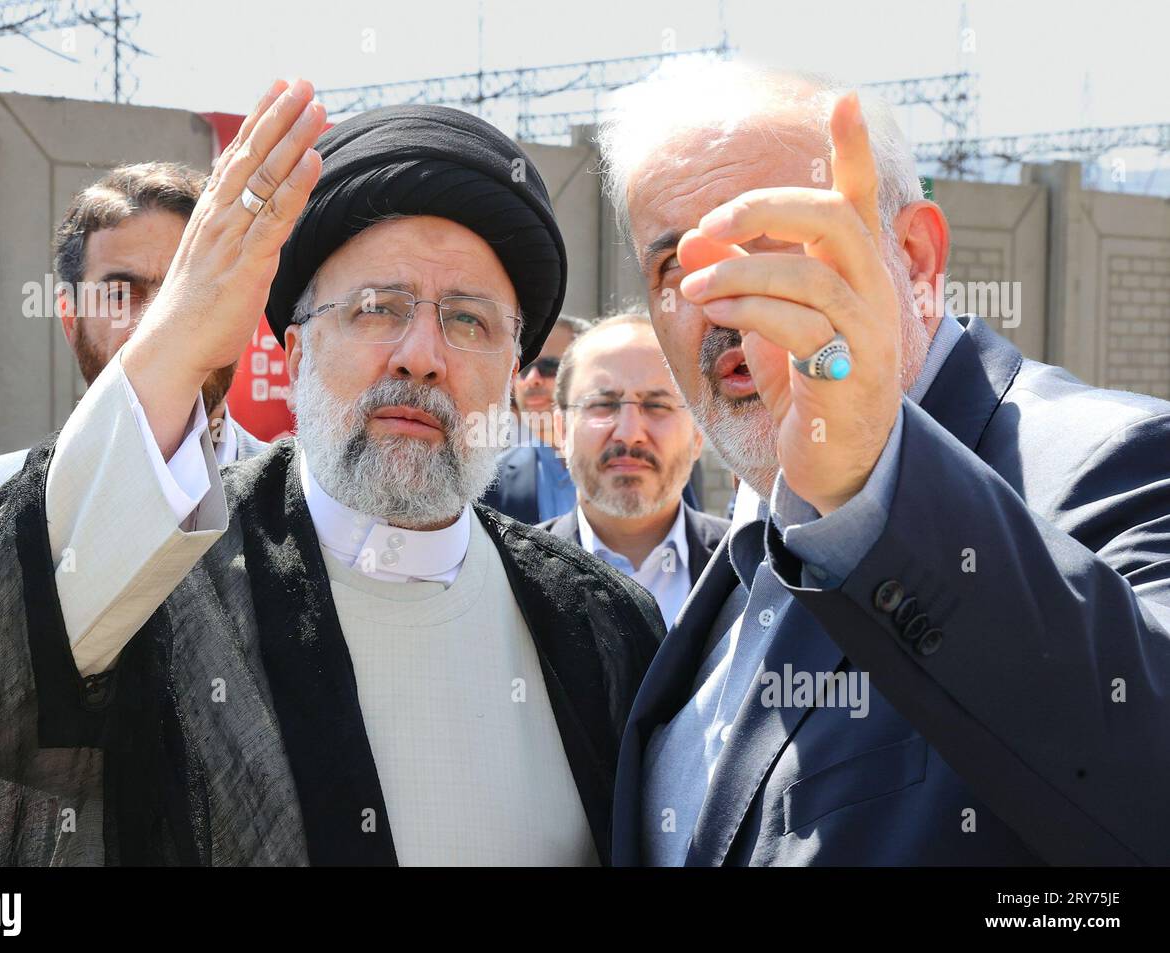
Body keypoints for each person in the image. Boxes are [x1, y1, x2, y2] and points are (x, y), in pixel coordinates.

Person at [0, 82, 662, 866]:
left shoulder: (602, 625)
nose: (421, 355)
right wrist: (178, 337)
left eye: (468, 320)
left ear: (514, 376)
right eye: (377, 307)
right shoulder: (167, 591)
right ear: (294, 357)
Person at [600, 60, 1170, 865]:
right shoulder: (725, 580)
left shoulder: (1116, 463)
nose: (723, 301)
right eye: (678, 267)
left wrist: (869, 480)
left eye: (782, 247)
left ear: (917, 259)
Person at [0, 163, 267, 764]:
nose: (158, 322)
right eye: (119, 292)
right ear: (69, 318)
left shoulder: (313, 513)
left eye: (189, 291)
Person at [538, 313, 727, 627]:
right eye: (603, 404)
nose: (628, 433)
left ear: (697, 434)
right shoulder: (509, 578)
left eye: (656, 405)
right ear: (561, 429)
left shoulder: (750, 570)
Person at [482, 314, 587, 523]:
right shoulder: (489, 484)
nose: (532, 379)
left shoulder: (629, 464)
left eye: (549, 367)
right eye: (525, 367)